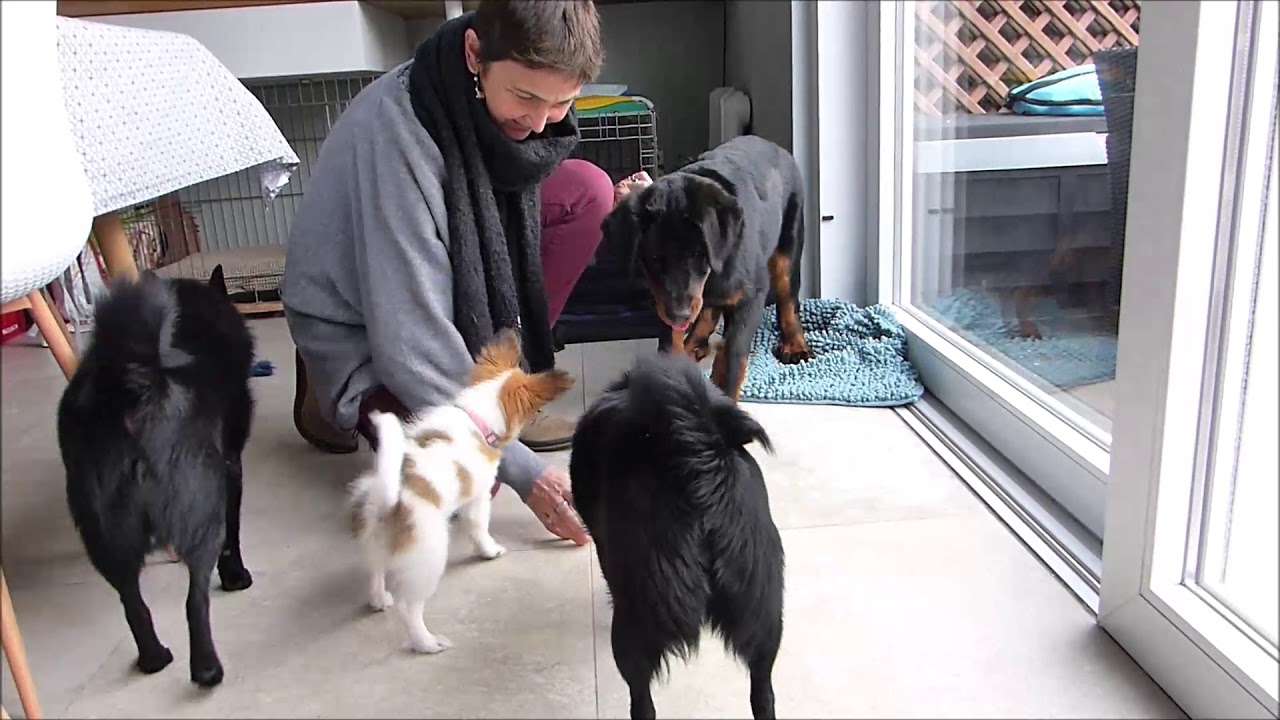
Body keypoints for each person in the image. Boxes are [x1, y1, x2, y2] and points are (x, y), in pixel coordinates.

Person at [281, 0, 647, 545]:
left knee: (588, 192)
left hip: (439, 272)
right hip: (363, 326)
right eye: (524, 97)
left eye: (561, 103)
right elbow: (410, 348)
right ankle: (326, 381)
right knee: (466, 488)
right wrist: (524, 470)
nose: (540, 122)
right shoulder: (399, 138)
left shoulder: (515, 111)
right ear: (475, 53)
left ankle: (501, 395)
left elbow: (497, 251)